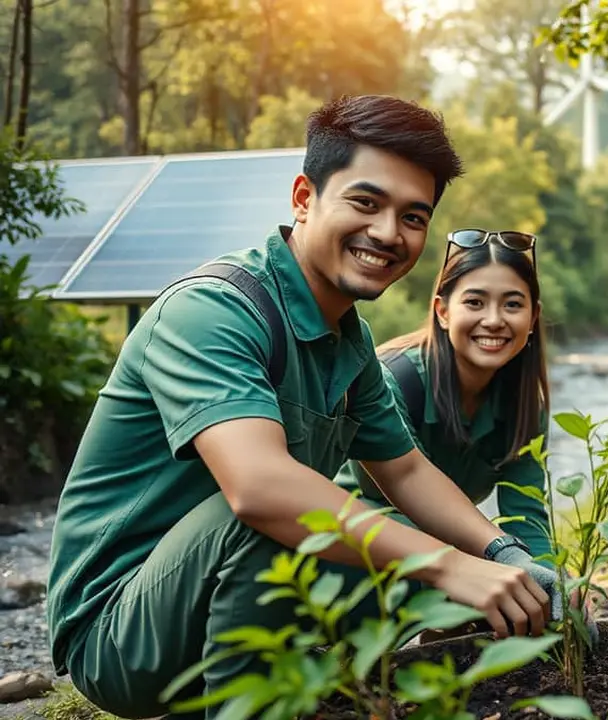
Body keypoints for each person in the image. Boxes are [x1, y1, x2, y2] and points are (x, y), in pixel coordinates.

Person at [45, 95, 557, 719]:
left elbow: (406, 471)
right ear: (304, 196)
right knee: (283, 508)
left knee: (353, 541)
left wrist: (504, 555)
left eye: (413, 217)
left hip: (220, 602)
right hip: (118, 635)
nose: (388, 233)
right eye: (365, 203)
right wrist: (446, 565)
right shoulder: (213, 308)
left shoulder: (350, 341)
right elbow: (259, 490)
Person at [334, 227, 556, 582]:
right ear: (443, 311)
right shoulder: (393, 381)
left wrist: (551, 585)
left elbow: (526, 515)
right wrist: (489, 565)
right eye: (474, 302)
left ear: (532, 318)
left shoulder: (526, 405)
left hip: (446, 559)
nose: (494, 320)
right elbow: (390, 507)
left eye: (513, 304)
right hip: (354, 557)